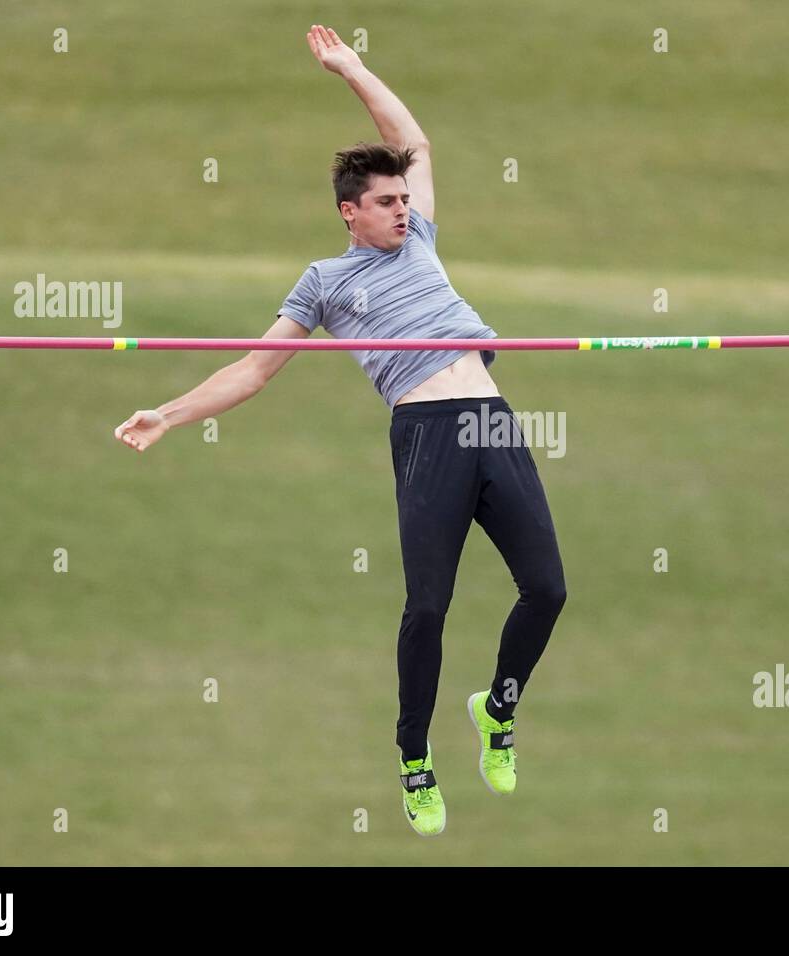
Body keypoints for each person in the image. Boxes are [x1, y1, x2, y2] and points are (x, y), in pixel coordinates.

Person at [113, 24, 567, 836]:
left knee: (549, 588)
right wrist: (169, 414)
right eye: (386, 203)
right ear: (349, 213)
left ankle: (498, 710)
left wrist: (352, 68)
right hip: (426, 434)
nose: (402, 210)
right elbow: (251, 370)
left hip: (490, 421)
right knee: (427, 607)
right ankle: (415, 758)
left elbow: (414, 140)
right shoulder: (324, 284)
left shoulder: (420, 241)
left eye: (404, 198)